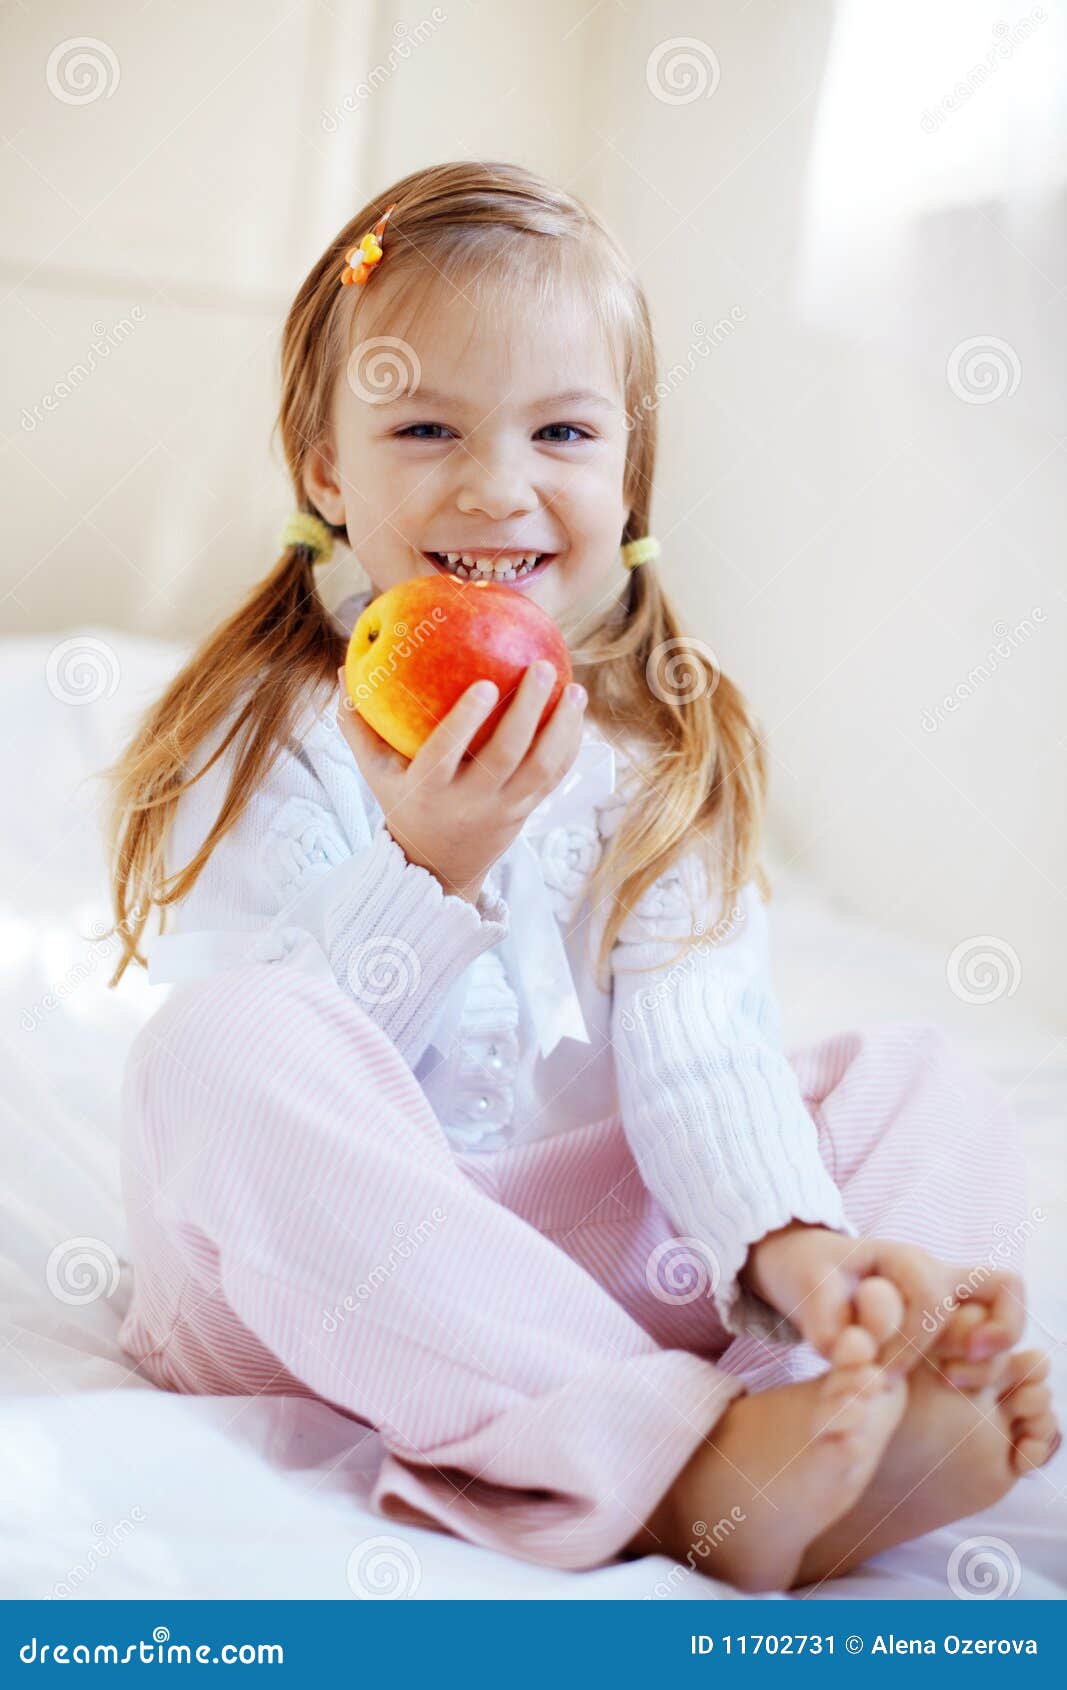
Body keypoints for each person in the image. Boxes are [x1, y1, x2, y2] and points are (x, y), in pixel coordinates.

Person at [101, 160, 1057, 1592]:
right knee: (212, 1050)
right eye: (424, 425)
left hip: (597, 1276)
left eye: (560, 428)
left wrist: (799, 1250)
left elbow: (698, 1061)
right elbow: (277, 1064)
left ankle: (835, 1384)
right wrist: (430, 864)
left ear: (626, 467)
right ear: (324, 466)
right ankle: (683, 1463)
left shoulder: (663, 751)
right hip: (316, 1287)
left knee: (917, 1078)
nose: (497, 484)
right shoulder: (258, 736)